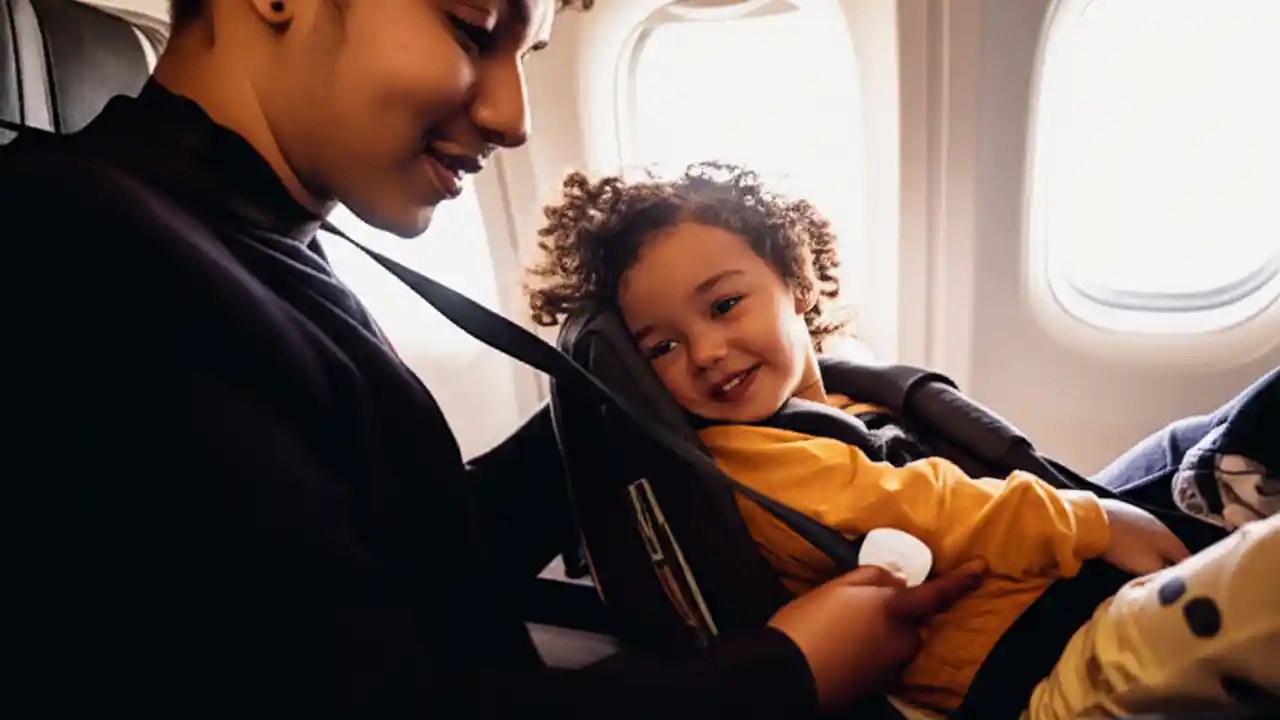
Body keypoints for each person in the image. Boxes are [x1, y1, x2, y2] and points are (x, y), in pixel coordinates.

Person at [2, 1, 987, 718]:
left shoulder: (258, 243)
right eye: (475, 27)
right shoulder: (72, 254)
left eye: (533, 48)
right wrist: (781, 675)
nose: (515, 116)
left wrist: (630, 411)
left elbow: (391, 556)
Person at [524, 162, 1280, 717]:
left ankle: (1219, 485)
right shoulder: (748, 456)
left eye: (724, 305)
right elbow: (925, 505)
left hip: (1036, 597)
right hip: (1036, 655)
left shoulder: (835, 398)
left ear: (797, 282)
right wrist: (1094, 518)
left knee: (1208, 430)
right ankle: (1227, 498)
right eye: (662, 347)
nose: (706, 351)